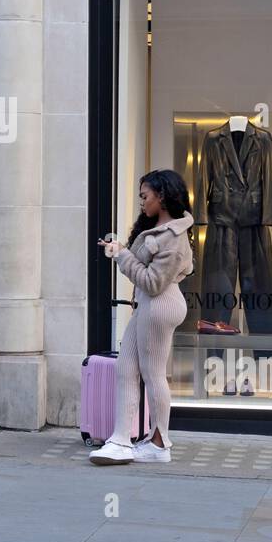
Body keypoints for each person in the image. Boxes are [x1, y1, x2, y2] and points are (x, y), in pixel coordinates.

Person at [92, 169, 195, 465]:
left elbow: (152, 281)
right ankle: (121, 440)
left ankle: (159, 444)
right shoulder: (161, 230)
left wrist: (122, 256)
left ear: (161, 197)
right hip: (151, 303)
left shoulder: (173, 237)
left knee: (153, 374)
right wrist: (121, 251)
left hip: (159, 303)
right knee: (126, 368)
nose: (141, 202)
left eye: (144, 196)